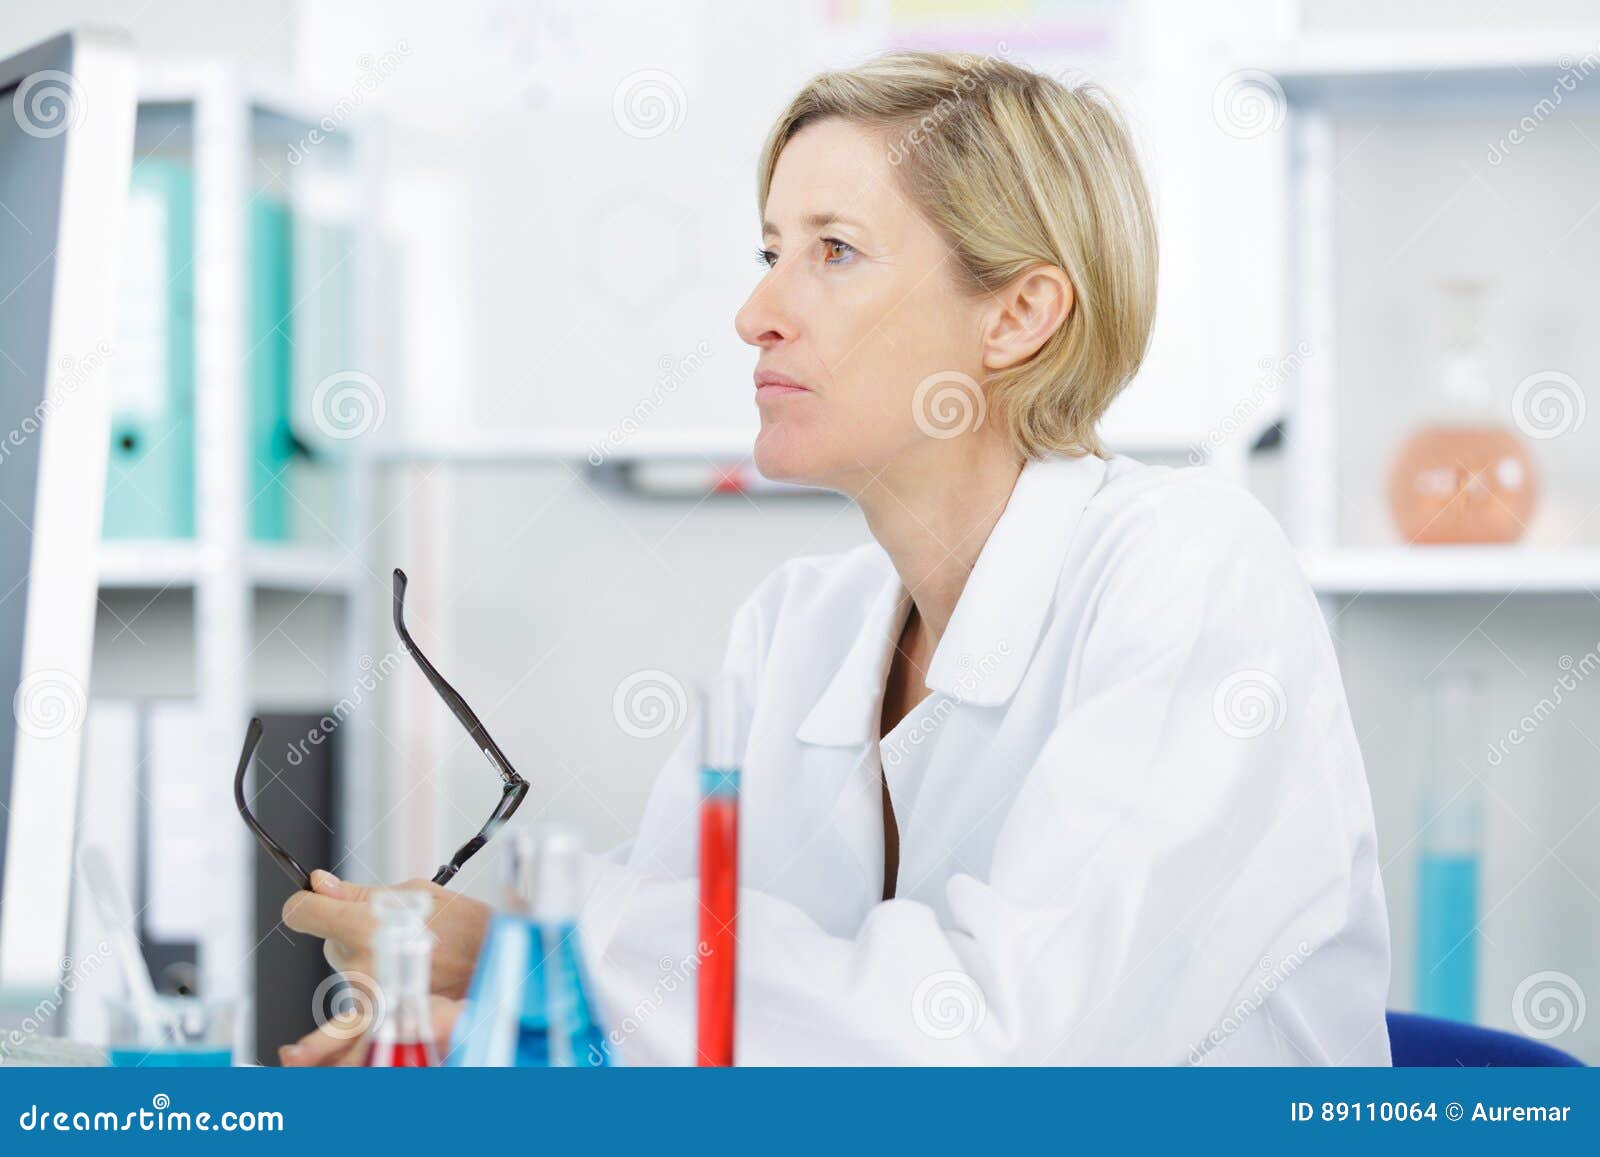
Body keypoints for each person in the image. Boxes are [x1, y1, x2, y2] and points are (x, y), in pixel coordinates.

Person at [282, 49, 1391, 1065]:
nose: (756, 312)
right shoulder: (798, 623)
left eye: (834, 252)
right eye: (769, 253)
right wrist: (476, 1026)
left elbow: (1014, 1047)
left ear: (1016, 315)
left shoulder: (1188, 568)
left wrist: (524, 949)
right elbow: (674, 1022)